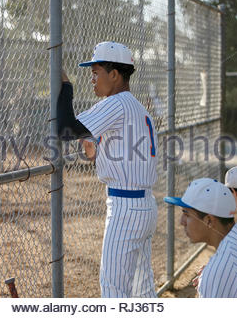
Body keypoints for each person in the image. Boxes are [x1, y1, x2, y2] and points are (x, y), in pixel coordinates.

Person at [57, 41, 158, 297]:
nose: (92, 79)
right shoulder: (133, 106)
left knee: (113, 289)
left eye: (95, 72)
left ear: (114, 74)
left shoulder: (117, 103)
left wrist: (66, 87)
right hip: (143, 204)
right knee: (141, 288)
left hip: (126, 207)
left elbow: (66, 129)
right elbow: (92, 150)